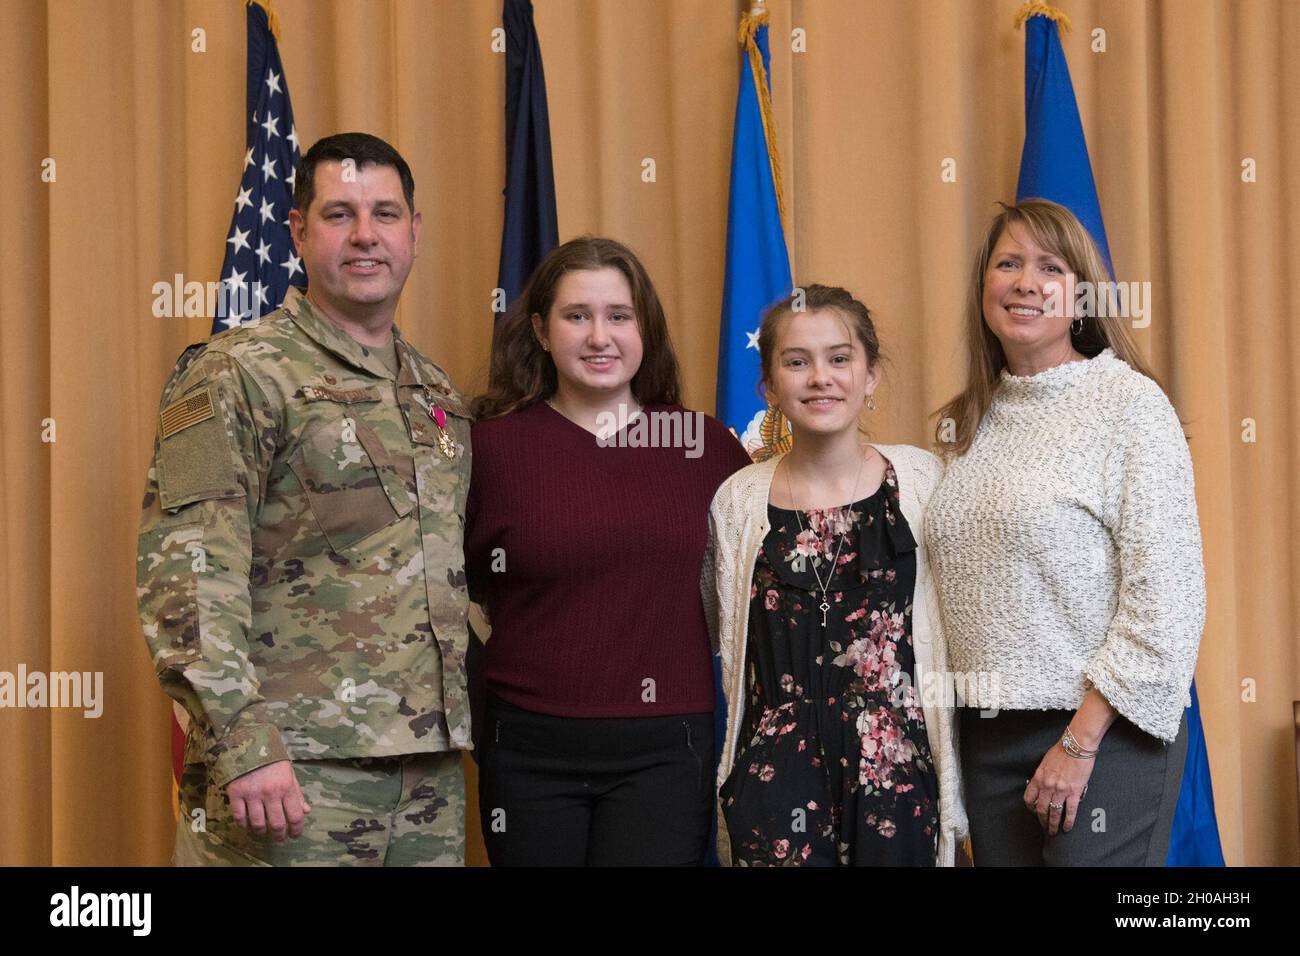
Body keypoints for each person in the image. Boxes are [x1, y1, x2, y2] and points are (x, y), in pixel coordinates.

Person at [137, 132, 473, 866]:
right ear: (296, 230)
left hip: (427, 772)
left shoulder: (436, 391)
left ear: (414, 232)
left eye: (385, 213)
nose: (365, 235)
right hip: (291, 771)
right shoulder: (230, 374)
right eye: (338, 214)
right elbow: (187, 576)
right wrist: (244, 743)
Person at [924, 199, 1206, 866]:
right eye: (1008, 263)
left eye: (1050, 267)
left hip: (1104, 736)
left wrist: (1079, 744)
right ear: (983, 288)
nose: (1026, 281)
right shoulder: (964, 425)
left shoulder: (1129, 405)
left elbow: (1167, 599)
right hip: (987, 739)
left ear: (1081, 296)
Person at [465, 236, 752, 866]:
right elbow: (451, 593)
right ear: (541, 330)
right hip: (526, 749)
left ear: (645, 329)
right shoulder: (488, 450)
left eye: (619, 316)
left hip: (665, 752)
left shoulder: (702, 447)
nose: (600, 336)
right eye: (577, 316)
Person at [706, 284, 967, 866]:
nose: (820, 376)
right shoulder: (736, 501)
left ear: (870, 375)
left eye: (840, 358)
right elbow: (716, 630)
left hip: (897, 777)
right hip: (775, 781)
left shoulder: (926, 482)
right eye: (797, 362)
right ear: (768, 386)